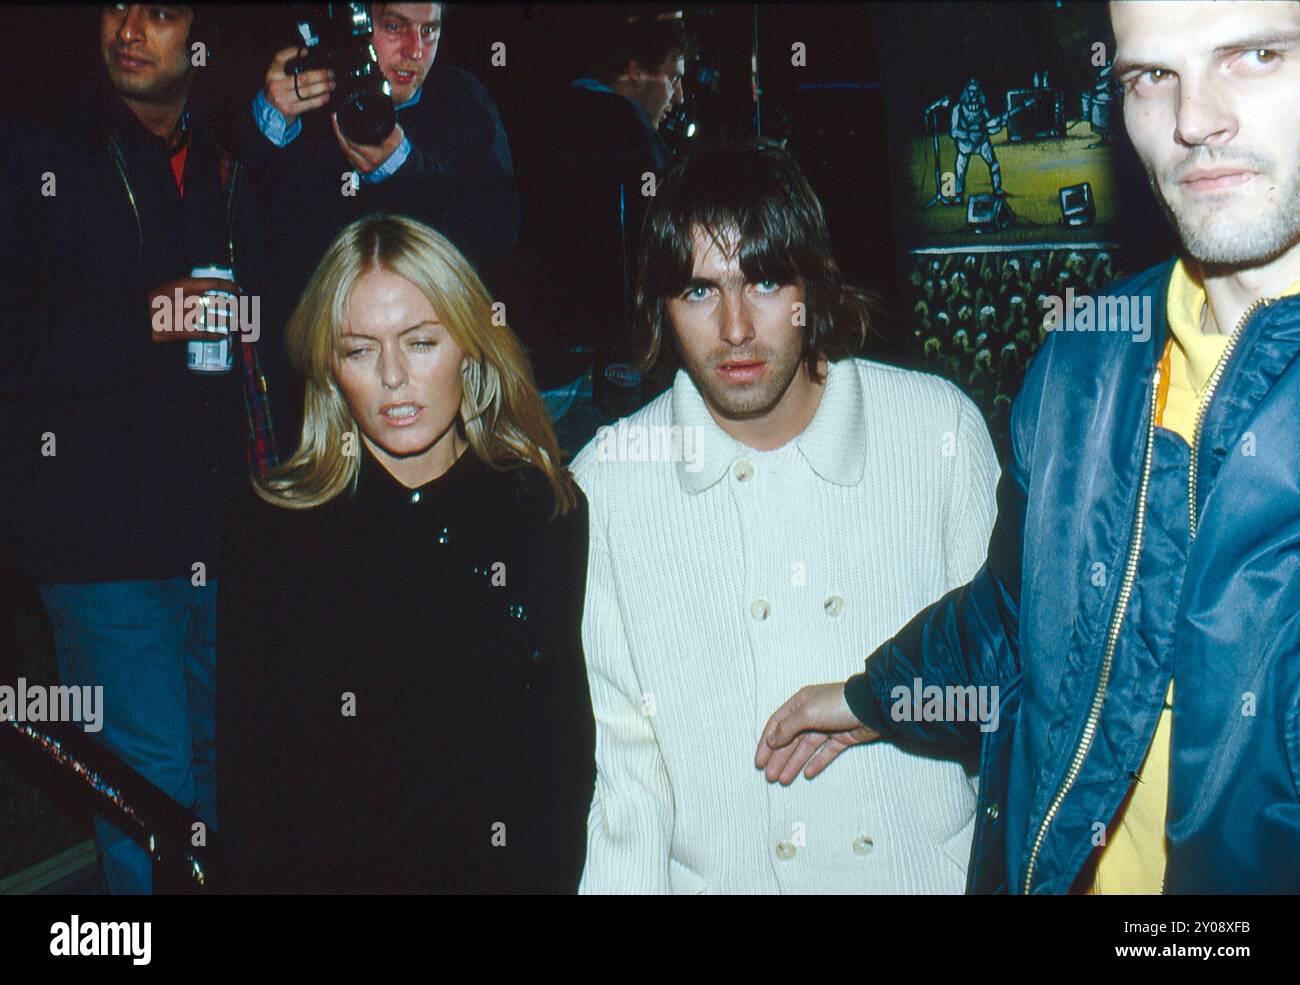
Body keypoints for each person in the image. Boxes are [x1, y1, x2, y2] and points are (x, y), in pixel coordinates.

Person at [758, 0, 1300, 894]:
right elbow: (1020, 618)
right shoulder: (1086, 364)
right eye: (1150, 76)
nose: (1193, 120)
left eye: (1255, 55)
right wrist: (869, 698)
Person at [572, 139, 999, 893]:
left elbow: (1025, 687)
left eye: (765, 281)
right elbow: (626, 786)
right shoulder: (608, 486)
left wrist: (901, 703)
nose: (735, 328)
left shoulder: (937, 432)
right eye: (699, 292)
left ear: (813, 286)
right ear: (661, 308)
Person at [214, 214, 595, 894]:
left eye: (421, 342)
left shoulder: (539, 512)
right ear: (329, 368)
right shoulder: (274, 530)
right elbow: (253, 777)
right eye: (359, 350)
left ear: (471, 346)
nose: (393, 377)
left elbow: (560, 756)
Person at [0, 3, 276, 895]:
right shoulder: (39, 149)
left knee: (216, 776)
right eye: (118, 4)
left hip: (216, 530)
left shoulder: (228, 160)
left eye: (160, 11)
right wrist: (147, 317)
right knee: (149, 797)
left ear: (201, 40)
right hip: (103, 542)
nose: (129, 27)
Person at [236, 1, 520, 442]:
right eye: (394, 27)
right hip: (312, 381)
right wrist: (268, 118)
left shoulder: (460, 100)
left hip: (428, 381)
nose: (415, 50)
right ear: (356, 24)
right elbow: (242, 218)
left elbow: (497, 235)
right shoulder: (310, 90)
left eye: (430, 31)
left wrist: (403, 170)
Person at [510, 17, 690, 454]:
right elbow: (666, 236)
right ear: (635, 71)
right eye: (674, 77)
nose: (679, 96)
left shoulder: (539, 113)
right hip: (603, 375)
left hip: (534, 364)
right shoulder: (624, 124)